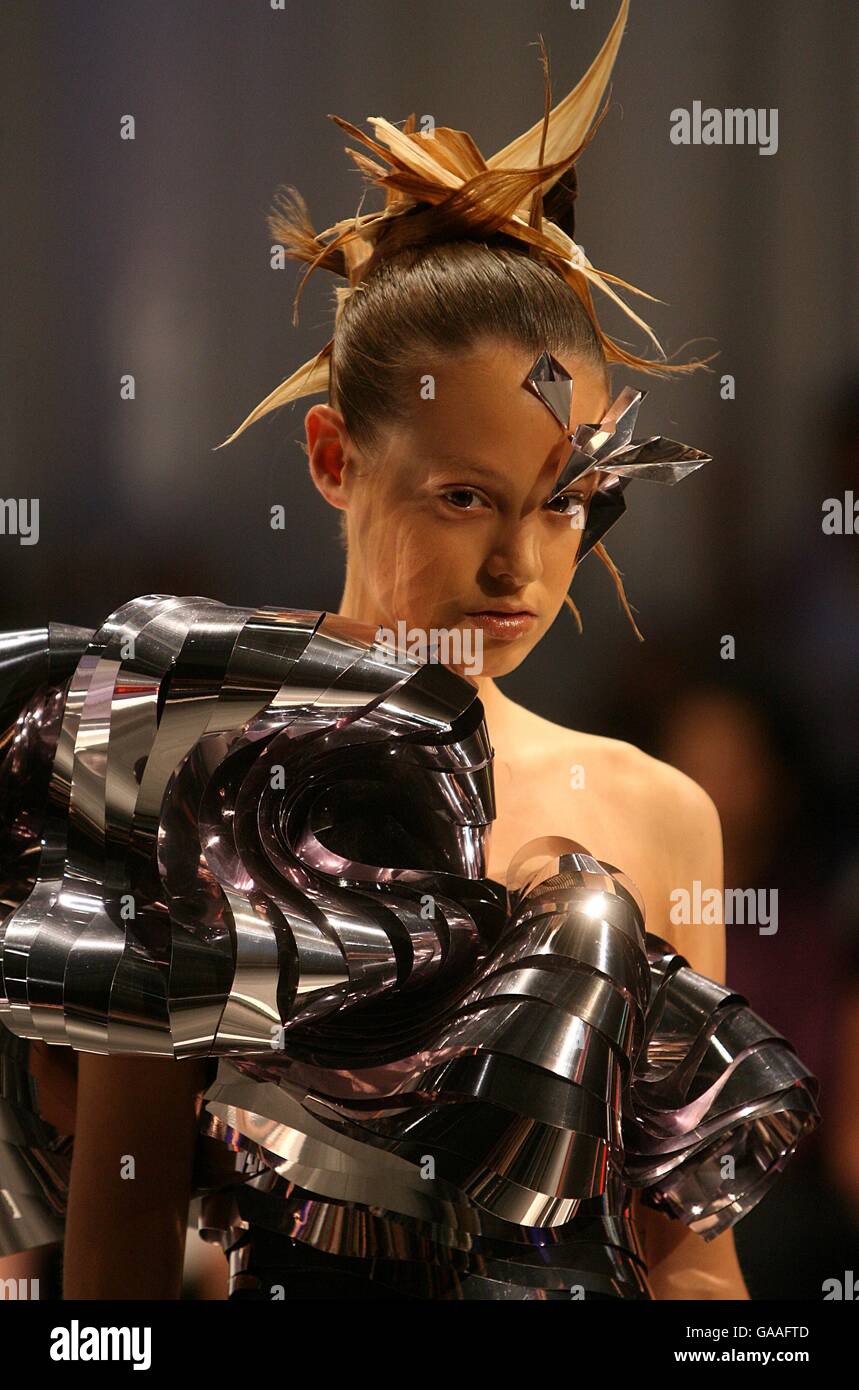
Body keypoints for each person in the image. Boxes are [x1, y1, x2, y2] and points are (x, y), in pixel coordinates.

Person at [0, 0, 818, 1301]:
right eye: (462, 498)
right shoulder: (180, 749)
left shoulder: (660, 812)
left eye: (560, 500)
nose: (518, 566)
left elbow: (691, 1262)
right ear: (332, 458)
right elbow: (117, 1248)